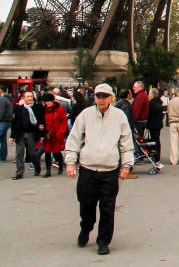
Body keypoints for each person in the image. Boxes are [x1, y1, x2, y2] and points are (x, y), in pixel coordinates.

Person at [64, 83, 134, 256]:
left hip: (109, 170)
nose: (101, 100)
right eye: (98, 96)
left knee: (107, 208)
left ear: (111, 97)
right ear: (94, 98)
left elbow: (126, 142)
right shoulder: (86, 115)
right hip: (88, 168)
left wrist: (126, 165)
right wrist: (71, 162)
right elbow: (74, 139)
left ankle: (103, 241)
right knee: (86, 205)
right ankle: (86, 228)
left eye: (104, 96)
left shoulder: (119, 116)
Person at [10, 90, 45, 179]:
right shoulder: (18, 109)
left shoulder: (38, 107)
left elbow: (42, 121)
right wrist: (11, 136)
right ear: (24, 98)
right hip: (20, 134)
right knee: (19, 154)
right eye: (27, 97)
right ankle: (19, 172)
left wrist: (42, 135)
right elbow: (14, 123)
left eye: (31, 96)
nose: (30, 98)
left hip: (32, 134)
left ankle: (37, 167)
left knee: (32, 153)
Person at [41, 92, 68, 176]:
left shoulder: (59, 109)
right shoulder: (43, 109)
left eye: (49, 101)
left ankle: (60, 164)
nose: (48, 103)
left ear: (53, 101)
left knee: (56, 152)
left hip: (56, 134)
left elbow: (64, 121)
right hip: (47, 134)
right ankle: (48, 171)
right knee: (47, 152)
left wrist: (60, 132)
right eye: (46, 101)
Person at [146, 89, 164, 169]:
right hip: (158, 124)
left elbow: (148, 114)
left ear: (152, 95)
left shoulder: (151, 103)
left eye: (149, 94)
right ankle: (157, 156)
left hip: (152, 124)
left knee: (153, 141)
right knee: (157, 140)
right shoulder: (159, 102)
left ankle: (155, 156)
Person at [0, 86, 14, 161]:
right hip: (7, 121)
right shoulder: (9, 98)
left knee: (2, 140)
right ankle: (2, 156)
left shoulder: (3, 99)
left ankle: (2, 156)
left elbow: (1, 112)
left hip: (2, 121)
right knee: (3, 140)